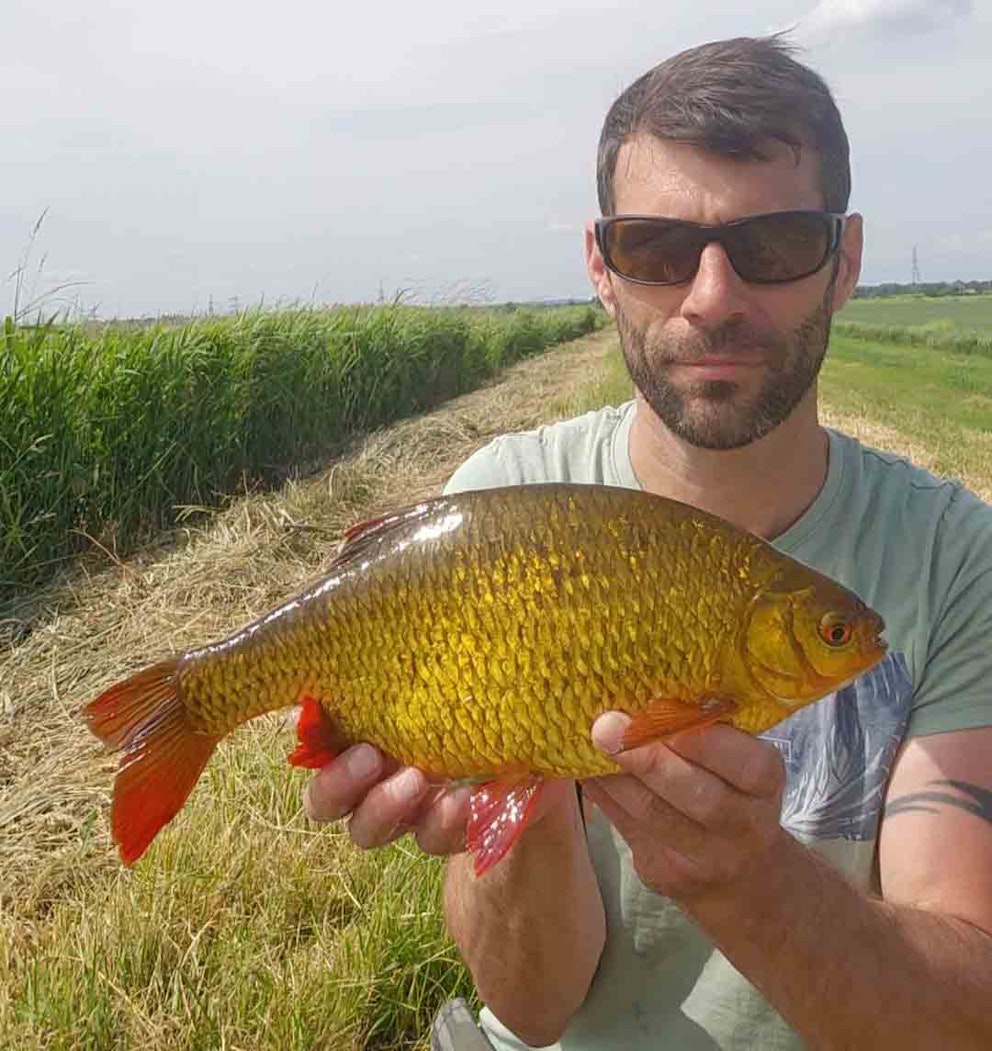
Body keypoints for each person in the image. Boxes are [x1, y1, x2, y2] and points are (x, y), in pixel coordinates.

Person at [303, 36, 992, 1050]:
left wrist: (748, 878)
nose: (711, 296)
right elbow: (533, 1010)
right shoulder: (499, 503)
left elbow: (963, 1016)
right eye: (658, 250)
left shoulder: (956, 556)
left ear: (842, 262)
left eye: (770, 246)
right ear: (599, 266)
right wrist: (519, 791)